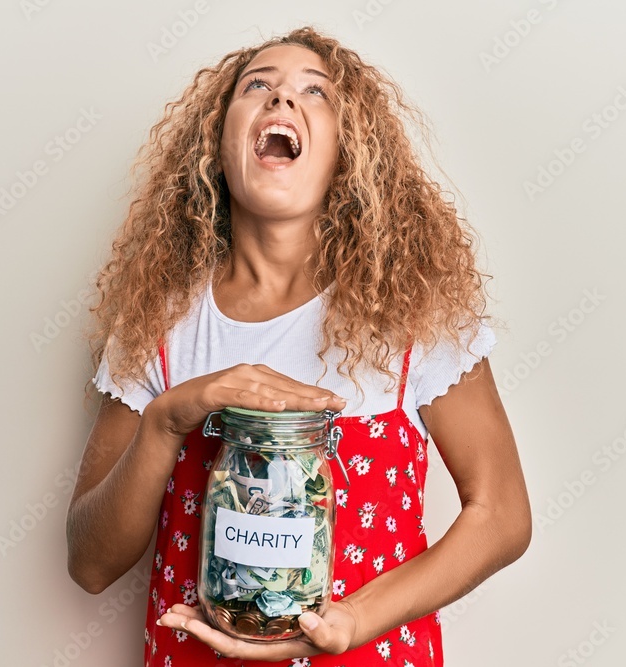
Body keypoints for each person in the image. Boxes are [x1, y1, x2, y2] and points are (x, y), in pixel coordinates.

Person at [66, 25, 531, 667]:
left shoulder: (414, 313)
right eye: (258, 85)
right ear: (216, 142)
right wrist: (169, 416)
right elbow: (90, 564)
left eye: (315, 93)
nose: (282, 100)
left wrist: (355, 619)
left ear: (347, 152)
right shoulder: (159, 323)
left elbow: (502, 515)